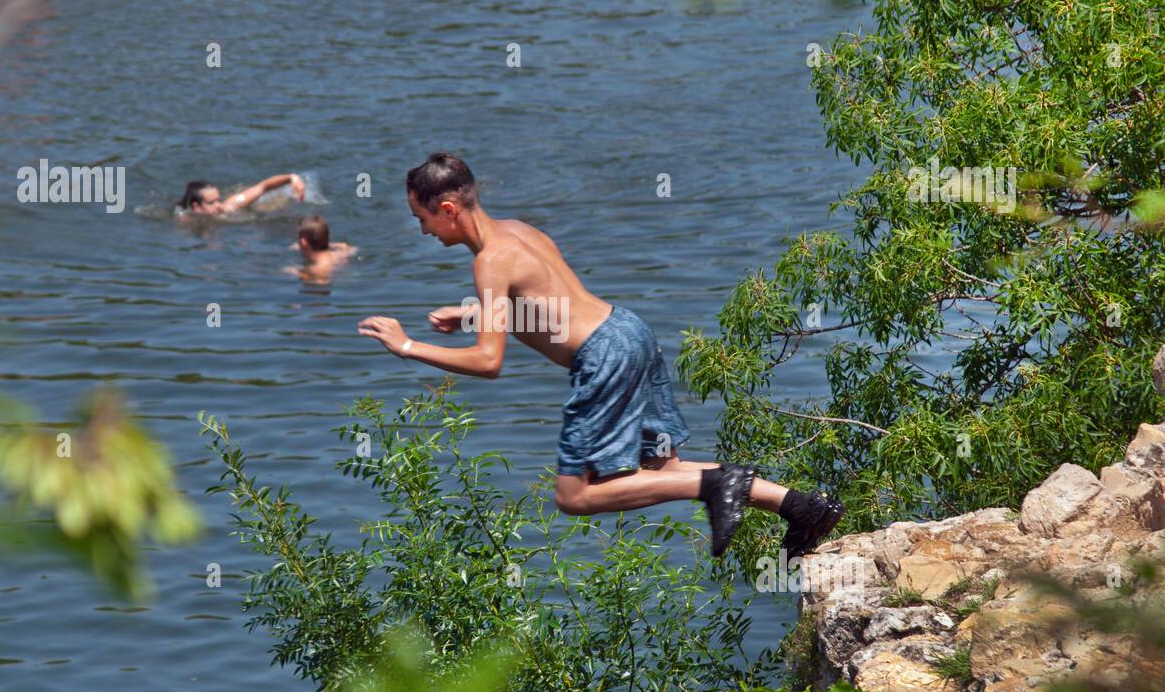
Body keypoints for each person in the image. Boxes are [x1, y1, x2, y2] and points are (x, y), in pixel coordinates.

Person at [358, 152, 844, 559]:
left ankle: (718, 484)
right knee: (660, 470)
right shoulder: (517, 231)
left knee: (574, 496)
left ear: (447, 208)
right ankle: (801, 507)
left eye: (421, 219)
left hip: (603, 356)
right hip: (627, 330)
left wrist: (408, 346)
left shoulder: (488, 260)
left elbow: (489, 362)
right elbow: (551, 307)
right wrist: (475, 316)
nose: (422, 231)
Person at [177, 173, 305, 217]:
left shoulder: (228, 207)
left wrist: (291, 177)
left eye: (219, 200)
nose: (219, 205)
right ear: (197, 207)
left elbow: (263, 186)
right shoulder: (185, 221)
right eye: (212, 203)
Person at [284, 215, 357, 283]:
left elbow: (321, 282)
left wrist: (293, 272)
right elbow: (348, 247)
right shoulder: (340, 255)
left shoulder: (318, 269)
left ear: (304, 243)